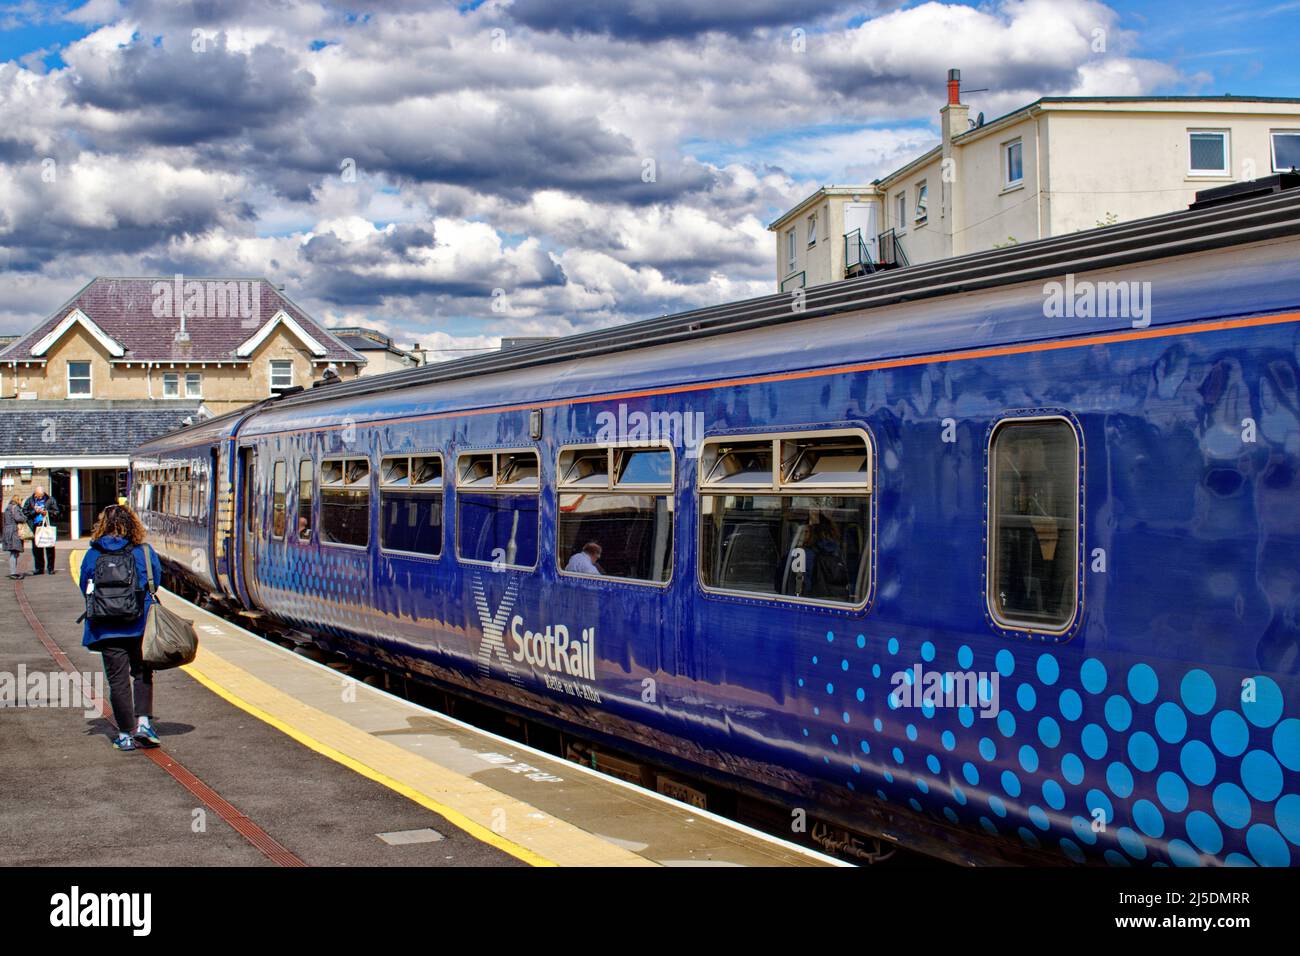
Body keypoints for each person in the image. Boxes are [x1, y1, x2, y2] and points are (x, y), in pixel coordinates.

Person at [79, 504, 164, 752]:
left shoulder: (93, 554)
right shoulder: (143, 552)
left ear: (102, 525)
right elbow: (154, 583)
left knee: (117, 681)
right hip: (140, 625)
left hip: (106, 627)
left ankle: (125, 735)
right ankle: (145, 724)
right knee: (142, 672)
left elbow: (85, 585)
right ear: (133, 524)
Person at [22, 485, 60, 576]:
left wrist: (47, 512)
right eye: (38, 496)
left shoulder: (50, 500)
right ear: (35, 493)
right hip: (35, 526)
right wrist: (35, 512)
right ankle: (39, 568)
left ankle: (50, 568)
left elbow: (57, 512)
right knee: (36, 548)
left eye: (41, 496)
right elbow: (25, 512)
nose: (40, 497)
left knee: (49, 546)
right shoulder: (30, 500)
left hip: (47, 526)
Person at [3, 496, 26, 579]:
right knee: (14, 552)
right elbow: (18, 518)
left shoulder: (7, 507)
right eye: (21, 500)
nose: (21, 502)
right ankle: (13, 572)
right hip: (14, 531)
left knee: (14, 552)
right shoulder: (15, 507)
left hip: (7, 530)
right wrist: (24, 518)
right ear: (18, 500)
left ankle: (14, 571)